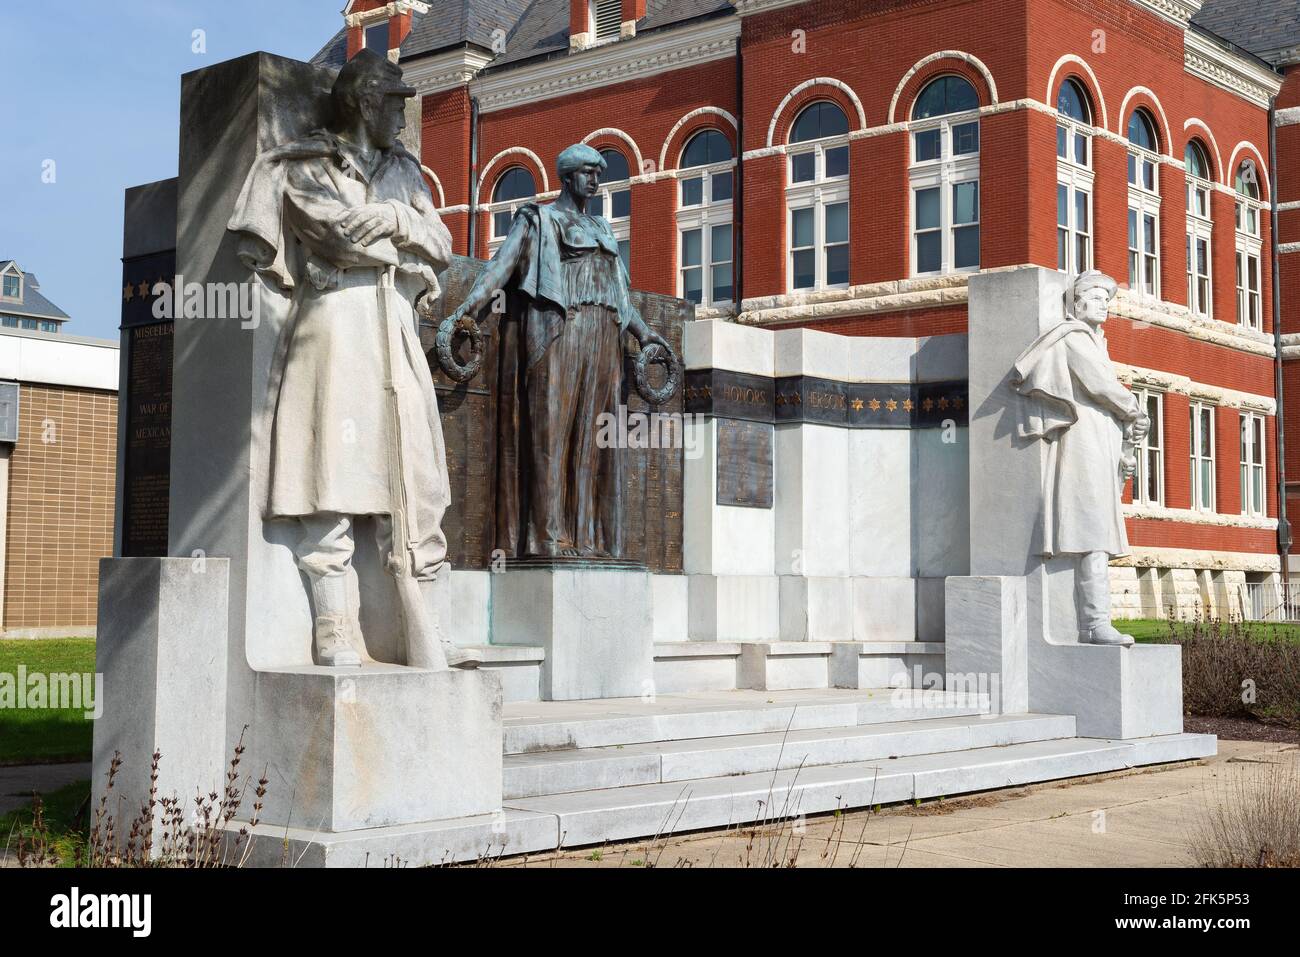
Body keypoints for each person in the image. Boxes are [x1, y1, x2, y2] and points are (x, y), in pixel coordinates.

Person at [228, 49, 474, 669]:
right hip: (334, 328)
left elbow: (442, 245)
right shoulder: (303, 165)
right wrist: (401, 240)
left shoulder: (404, 174)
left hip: (392, 325)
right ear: (365, 101)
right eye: (395, 103)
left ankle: (425, 623)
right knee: (329, 473)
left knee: (415, 472)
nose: (401, 115)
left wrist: (392, 218)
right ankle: (335, 624)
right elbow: (332, 233)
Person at [443, 143, 672, 560]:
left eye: (598, 173)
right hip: (560, 330)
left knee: (594, 439)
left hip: (605, 336)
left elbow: (621, 297)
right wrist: (467, 311)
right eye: (587, 172)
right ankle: (545, 536)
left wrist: (646, 335)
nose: (595, 180)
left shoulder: (603, 229)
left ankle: (588, 538)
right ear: (567, 177)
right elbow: (499, 269)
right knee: (552, 433)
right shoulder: (539, 219)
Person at [1011, 271, 1150, 646]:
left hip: (1101, 439)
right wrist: (1134, 409)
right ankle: (1094, 623)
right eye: (1096, 295)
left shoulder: (1095, 341)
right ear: (1077, 302)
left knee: (1099, 530)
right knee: (1093, 530)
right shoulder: (1074, 338)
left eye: (1108, 298)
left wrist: (1127, 425)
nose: (1104, 303)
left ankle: (1096, 621)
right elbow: (1101, 385)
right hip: (1084, 442)